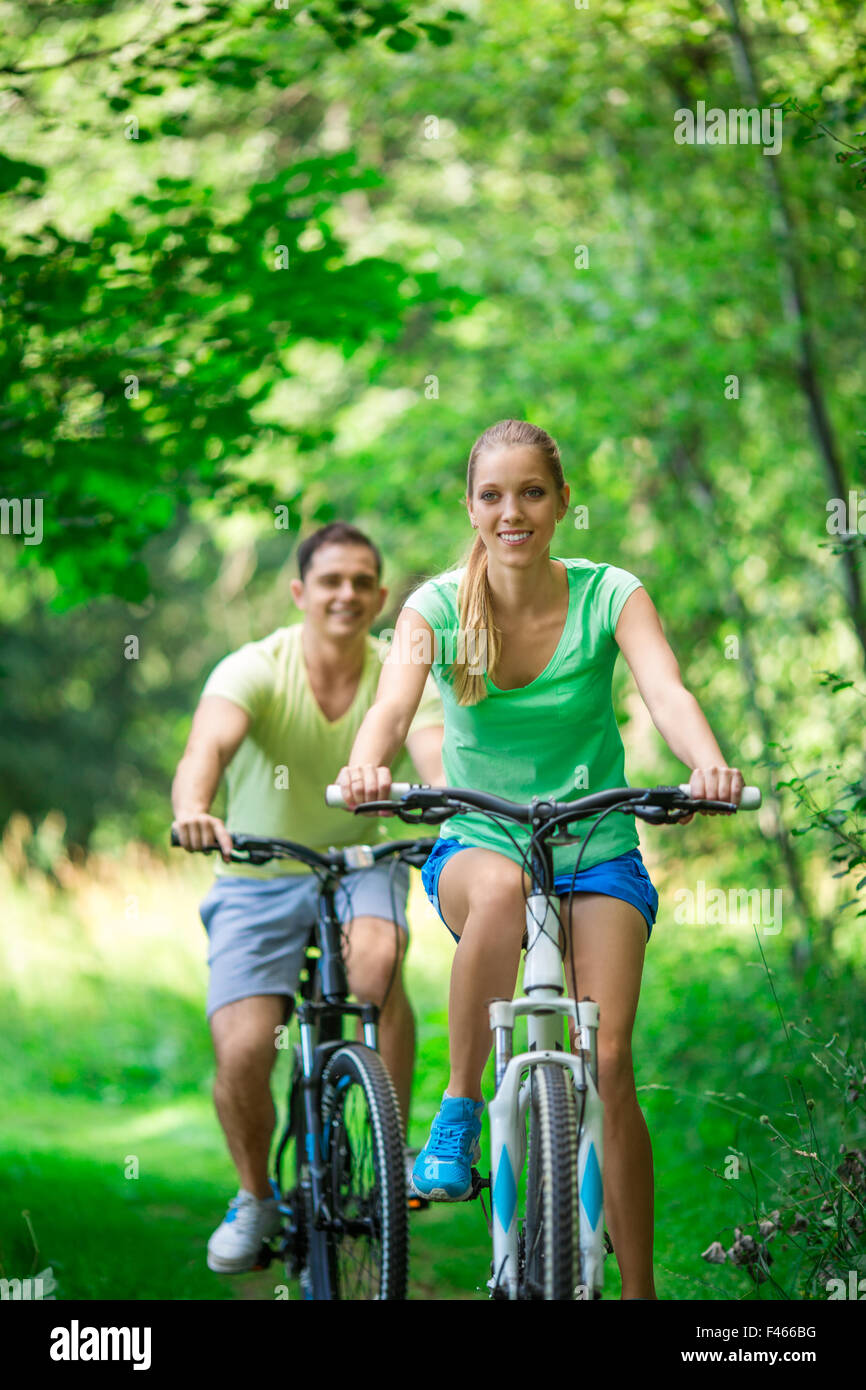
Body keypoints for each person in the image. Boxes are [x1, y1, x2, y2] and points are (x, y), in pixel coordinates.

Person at [335, 419, 744, 1301]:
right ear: (472, 508)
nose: (512, 511)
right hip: (481, 844)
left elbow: (664, 687)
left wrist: (704, 761)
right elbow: (392, 707)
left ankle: (640, 1291)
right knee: (506, 882)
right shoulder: (435, 607)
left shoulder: (611, 594)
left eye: (531, 493)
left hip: (598, 848)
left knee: (609, 1062)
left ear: (562, 502)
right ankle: (456, 1113)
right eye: (493, 495)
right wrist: (368, 764)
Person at [172, 522, 444, 1274]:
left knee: (377, 965)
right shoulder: (254, 668)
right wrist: (196, 810)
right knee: (245, 1048)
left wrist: (454, 805)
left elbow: (432, 748)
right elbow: (205, 751)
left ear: (381, 596)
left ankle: (387, 1149)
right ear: (300, 592)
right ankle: (257, 1196)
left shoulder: (398, 669)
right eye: (331, 581)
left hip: (363, 860)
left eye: (363, 582)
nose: (347, 594)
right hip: (257, 874)